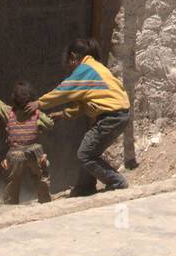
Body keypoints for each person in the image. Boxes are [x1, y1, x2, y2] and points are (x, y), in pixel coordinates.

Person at [39, 38, 132, 194]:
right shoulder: (96, 67)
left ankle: (116, 181)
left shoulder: (86, 69)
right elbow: (84, 104)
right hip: (119, 114)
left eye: (69, 62)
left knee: (85, 154)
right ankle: (85, 187)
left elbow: (64, 90)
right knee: (88, 150)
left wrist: (39, 103)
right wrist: (63, 114)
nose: (70, 68)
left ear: (74, 56)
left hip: (111, 116)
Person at [0, 81, 54, 205]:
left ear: (13, 98)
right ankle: (45, 201)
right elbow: (50, 124)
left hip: (15, 153)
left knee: (12, 182)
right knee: (41, 178)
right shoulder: (37, 114)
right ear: (32, 98)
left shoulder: (8, 112)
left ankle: (11, 204)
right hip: (35, 152)